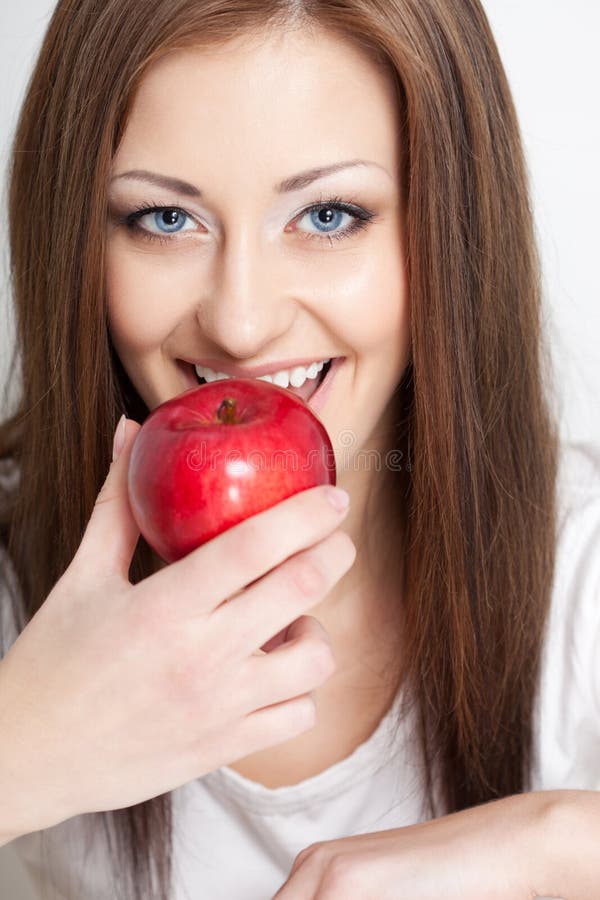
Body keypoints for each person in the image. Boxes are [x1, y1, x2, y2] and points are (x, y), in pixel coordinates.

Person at [0, 0, 598, 898]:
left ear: (450, 230)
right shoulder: (12, 575)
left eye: (327, 216)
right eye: (164, 219)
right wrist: (26, 745)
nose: (240, 324)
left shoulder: (580, 575)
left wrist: (559, 844)